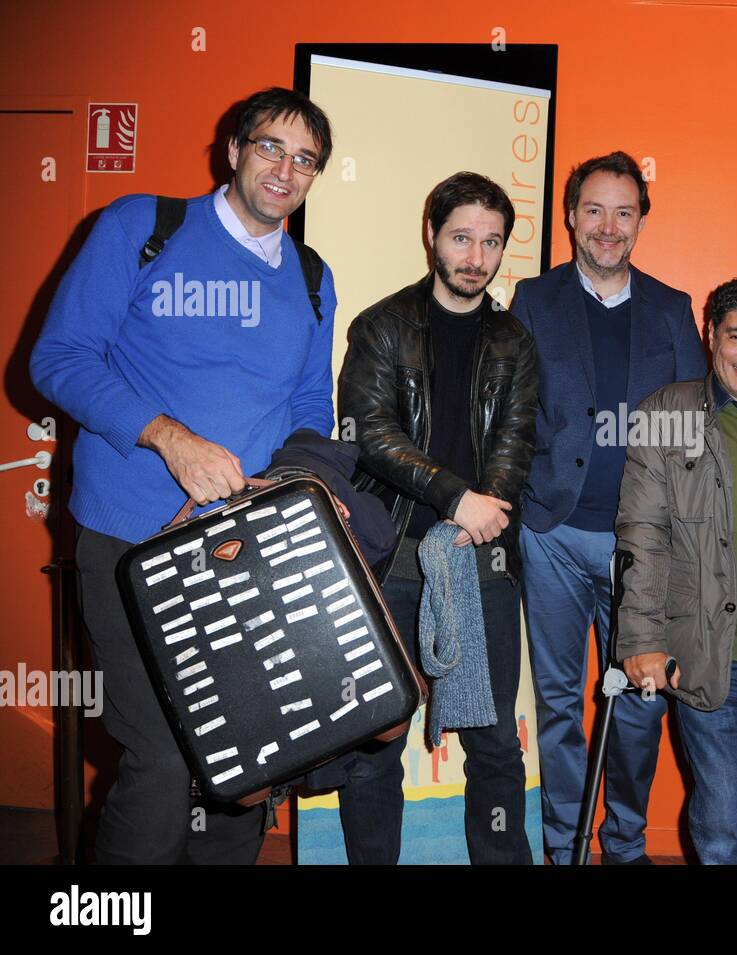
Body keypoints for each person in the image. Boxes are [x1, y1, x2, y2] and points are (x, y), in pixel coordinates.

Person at [29, 87, 338, 864]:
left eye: (305, 160)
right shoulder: (143, 227)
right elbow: (57, 359)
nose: (285, 169)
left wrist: (297, 484)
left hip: (244, 552)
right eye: (271, 147)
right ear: (232, 150)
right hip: (131, 541)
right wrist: (169, 438)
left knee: (247, 760)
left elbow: (310, 407)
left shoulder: (311, 275)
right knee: (164, 758)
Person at [509, 150, 708, 864]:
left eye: (624, 212)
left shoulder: (673, 308)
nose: (607, 225)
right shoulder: (534, 299)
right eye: (593, 209)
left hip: (642, 549)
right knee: (560, 706)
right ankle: (563, 847)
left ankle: (623, 841)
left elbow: (694, 435)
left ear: (641, 221)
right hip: (554, 534)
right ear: (569, 216)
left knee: (639, 706)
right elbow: (512, 410)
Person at [336, 171, 538, 864]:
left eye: (490, 242)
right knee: (377, 740)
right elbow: (372, 434)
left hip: (477, 559)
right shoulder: (382, 326)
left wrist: (476, 521)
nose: (475, 257)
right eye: (461, 237)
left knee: (493, 743)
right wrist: (456, 497)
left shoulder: (514, 339)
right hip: (388, 559)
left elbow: (515, 442)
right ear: (431, 235)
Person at [617, 275, 737, 864]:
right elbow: (642, 535)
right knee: (725, 827)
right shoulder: (666, 413)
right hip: (710, 657)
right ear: (710, 335)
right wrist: (642, 639)